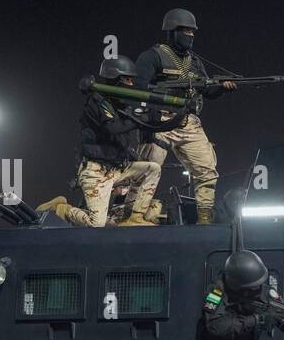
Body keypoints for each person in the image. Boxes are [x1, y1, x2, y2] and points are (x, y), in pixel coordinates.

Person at [38, 57, 183, 227]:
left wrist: (178, 115)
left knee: (152, 168)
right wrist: (137, 118)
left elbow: (149, 125)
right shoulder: (98, 101)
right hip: (96, 172)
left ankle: (134, 217)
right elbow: (113, 128)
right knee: (96, 225)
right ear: (117, 80)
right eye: (128, 79)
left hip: (116, 169)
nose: (131, 84)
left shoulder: (121, 104)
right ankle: (62, 209)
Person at [134, 8, 237, 225]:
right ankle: (134, 216)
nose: (189, 35)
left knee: (207, 169)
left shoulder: (194, 62)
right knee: (148, 168)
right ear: (172, 31)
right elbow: (140, 88)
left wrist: (222, 88)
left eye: (192, 32)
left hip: (187, 121)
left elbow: (206, 91)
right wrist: (165, 97)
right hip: (160, 119)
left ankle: (205, 217)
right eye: (185, 31)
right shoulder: (153, 56)